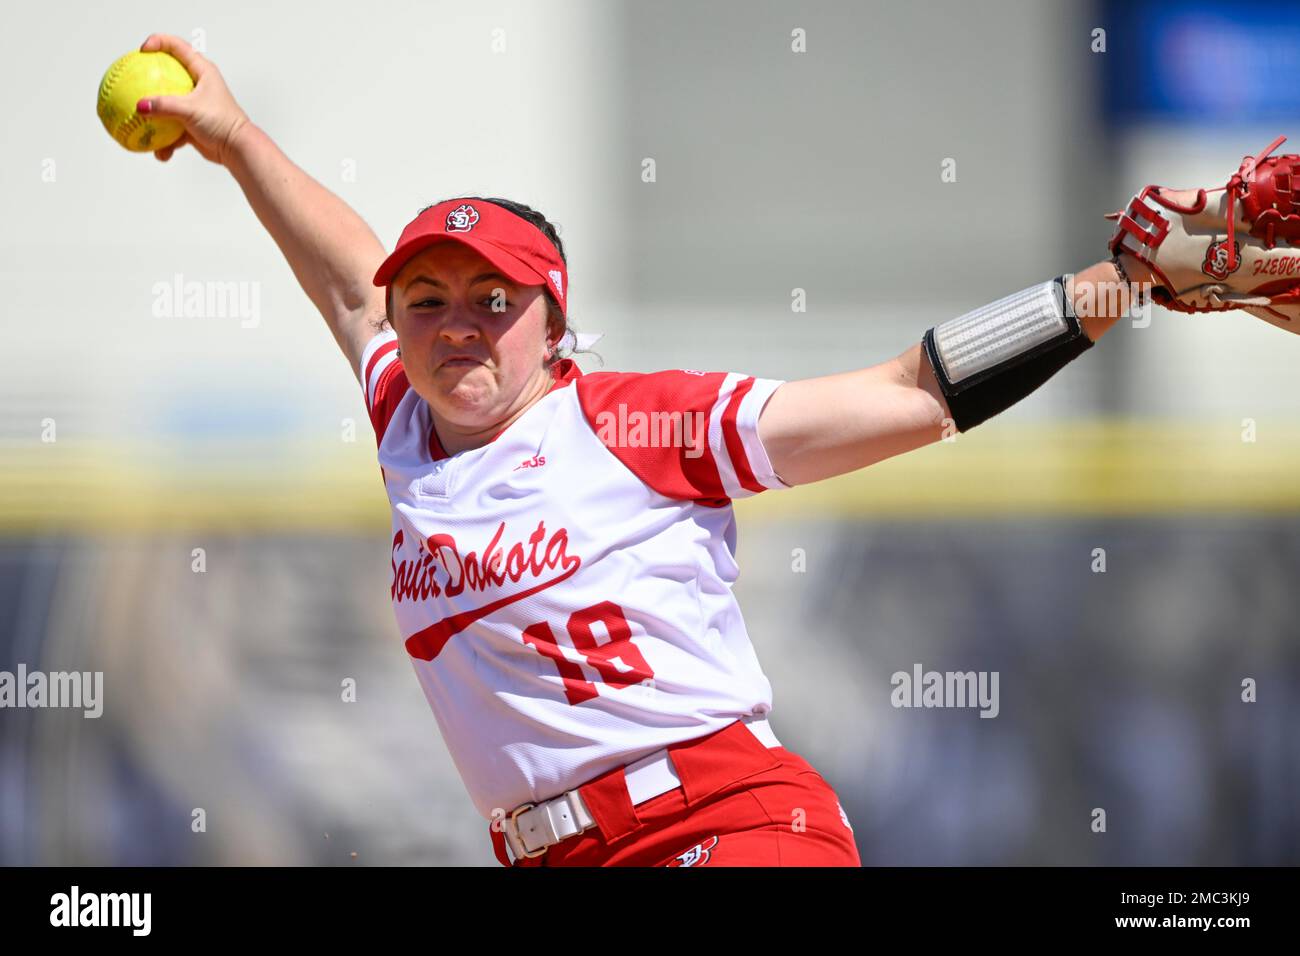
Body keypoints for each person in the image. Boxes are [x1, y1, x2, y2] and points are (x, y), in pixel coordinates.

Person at [133, 32, 1232, 867]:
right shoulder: (408, 424)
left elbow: (910, 390)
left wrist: (1119, 286)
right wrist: (233, 140)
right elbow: (347, 281)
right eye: (429, 300)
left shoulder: (634, 422)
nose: (455, 322)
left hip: (727, 822)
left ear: (554, 328)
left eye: (493, 297)